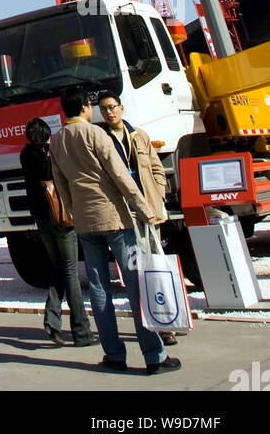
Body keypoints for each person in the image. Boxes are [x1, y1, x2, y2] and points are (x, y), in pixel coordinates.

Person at [50, 89, 180, 375]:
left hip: (85, 223)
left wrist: (73, 213)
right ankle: (154, 355)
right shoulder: (96, 135)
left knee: (99, 289)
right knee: (134, 286)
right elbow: (120, 174)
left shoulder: (57, 141)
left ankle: (113, 354)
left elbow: (61, 184)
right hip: (115, 219)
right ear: (85, 107)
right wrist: (143, 207)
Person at [97, 90, 178, 347]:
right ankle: (148, 322)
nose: (109, 112)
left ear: (121, 108)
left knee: (156, 266)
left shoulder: (139, 136)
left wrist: (159, 191)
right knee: (136, 269)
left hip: (148, 209)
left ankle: (165, 322)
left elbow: (156, 167)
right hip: (124, 213)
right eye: (104, 109)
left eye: (112, 107)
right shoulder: (101, 139)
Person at [19, 119, 96, 348]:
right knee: (70, 271)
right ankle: (81, 330)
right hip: (61, 218)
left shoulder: (25, 155)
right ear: (47, 135)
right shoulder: (51, 154)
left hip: (42, 220)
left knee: (57, 268)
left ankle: (53, 320)